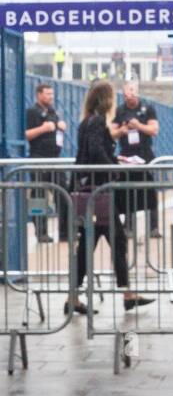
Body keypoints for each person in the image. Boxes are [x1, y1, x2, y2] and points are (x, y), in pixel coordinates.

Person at [67, 80, 154, 315]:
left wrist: (117, 160)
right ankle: (126, 294)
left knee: (89, 245)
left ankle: (76, 297)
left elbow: (92, 151)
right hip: (99, 193)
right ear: (106, 99)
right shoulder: (97, 121)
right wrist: (114, 169)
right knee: (115, 241)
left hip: (91, 191)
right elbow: (96, 152)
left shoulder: (87, 121)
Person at [112, 80, 161, 238]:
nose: (130, 95)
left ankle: (153, 227)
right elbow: (112, 133)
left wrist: (139, 126)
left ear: (137, 92)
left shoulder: (147, 108)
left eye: (133, 91)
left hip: (145, 153)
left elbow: (154, 130)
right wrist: (123, 130)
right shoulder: (120, 110)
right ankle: (129, 227)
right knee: (128, 190)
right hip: (127, 154)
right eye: (127, 92)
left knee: (150, 189)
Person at [25, 81, 68, 244]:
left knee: (63, 194)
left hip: (54, 159)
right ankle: (41, 232)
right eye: (48, 94)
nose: (51, 97)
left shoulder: (52, 112)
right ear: (39, 95)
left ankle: (65, 231)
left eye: (52, 94)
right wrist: (42, 128)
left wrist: (60, 126)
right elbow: (26, 134)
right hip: (39, 158)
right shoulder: (32, 112)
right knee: (39, 196)